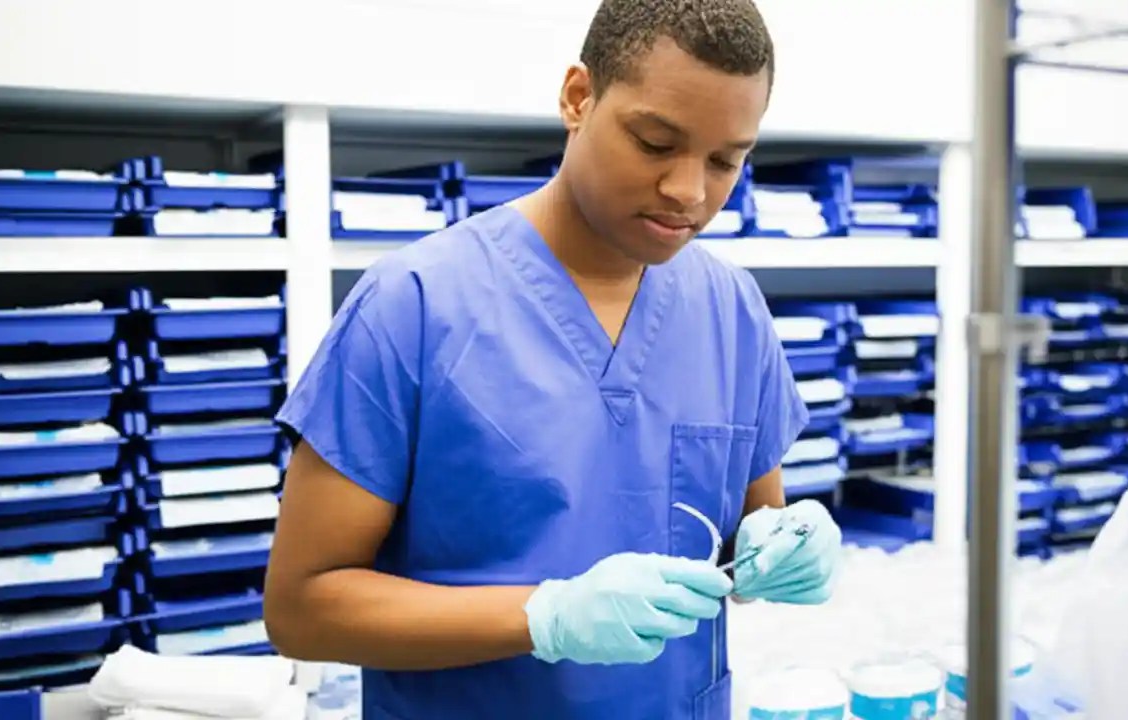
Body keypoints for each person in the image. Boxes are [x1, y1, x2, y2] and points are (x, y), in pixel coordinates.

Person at [262, 0, 843, 717]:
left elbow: (743, 552)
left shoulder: (732, 310)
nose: (689, 192)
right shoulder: (414, 305)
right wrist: (546, 618)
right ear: (578, 97)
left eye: (726, 160)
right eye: (656, 142)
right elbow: (301, 608)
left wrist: (778, 553)